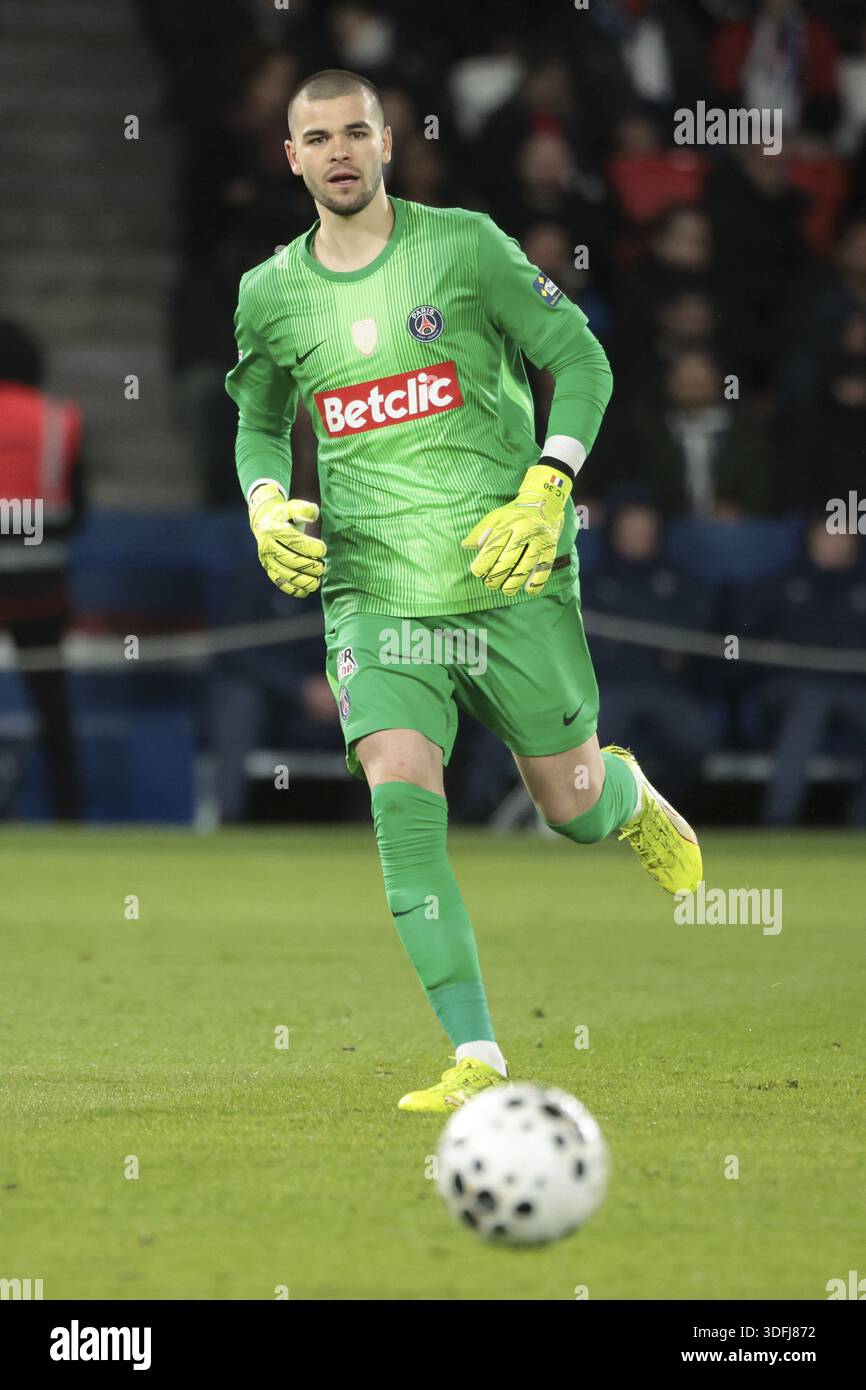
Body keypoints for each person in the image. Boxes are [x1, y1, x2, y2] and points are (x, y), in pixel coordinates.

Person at [224, 68, 702, 1114]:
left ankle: (621, 793)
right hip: (373, 591)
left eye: (357, 131)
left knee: (567, 807)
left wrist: (548, 481)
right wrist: (266, 501)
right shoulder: (270, 293)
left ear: (387, 143)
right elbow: (260, 417)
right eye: (317, 137)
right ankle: (476, 1054)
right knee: (401, 797)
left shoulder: (467, 247)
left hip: (506, 567)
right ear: (291, 155)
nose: (339, 151)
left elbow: (578, 360)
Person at [0, 322, 83, 820]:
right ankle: (70, 814)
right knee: (53, 707)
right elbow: (77, 512)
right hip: (41, 589)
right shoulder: (58, 419)